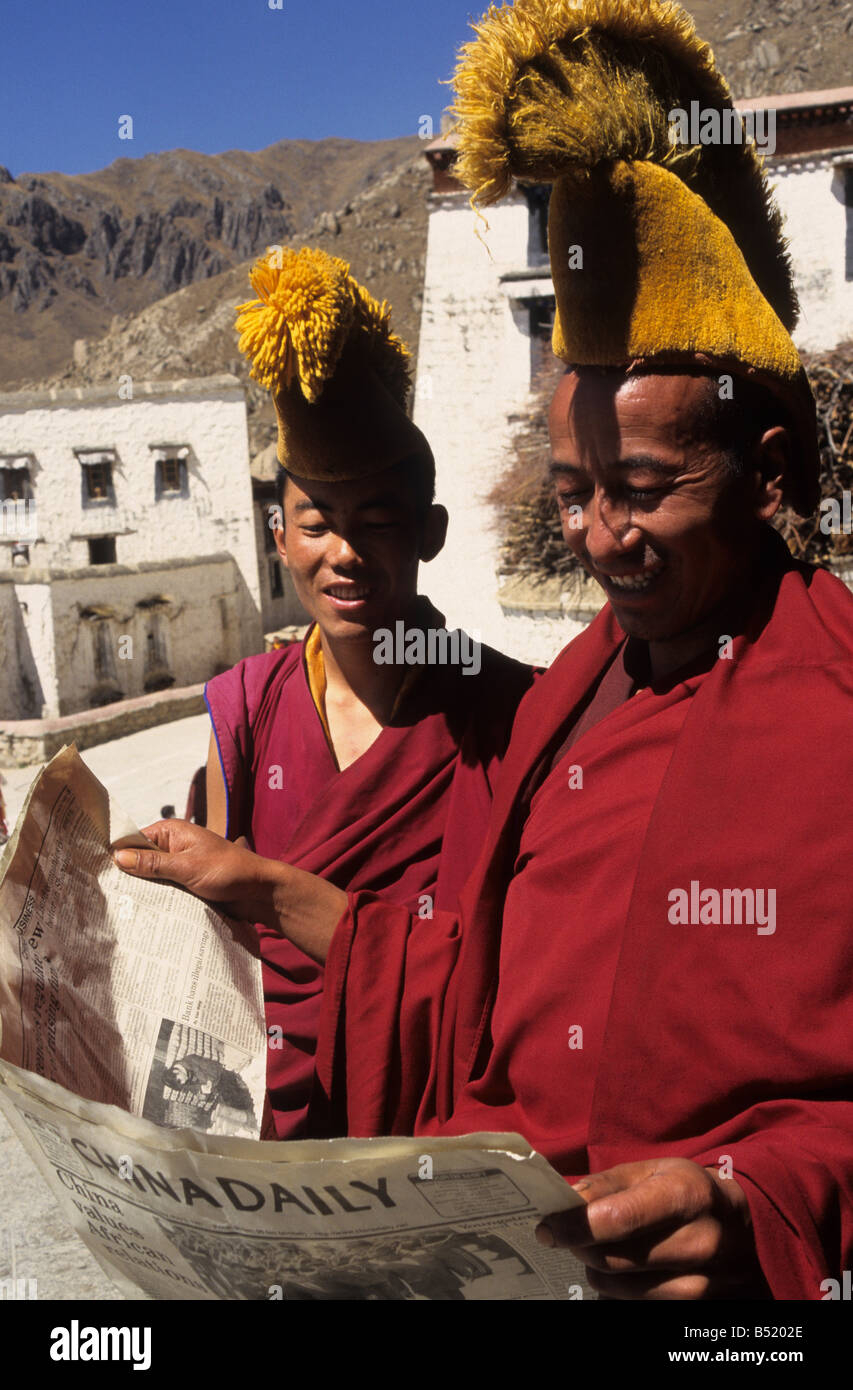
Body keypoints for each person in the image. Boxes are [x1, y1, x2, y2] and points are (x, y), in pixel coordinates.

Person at [116, 0, 853, 1299]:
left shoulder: (835, 697)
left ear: (771, 470)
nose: (598, 537)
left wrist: (760, 1198)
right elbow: (469, 988)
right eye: (571, 492)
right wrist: (257, 887)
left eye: (642, 487)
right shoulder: (571, 704)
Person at [162, 246, 533, 1140]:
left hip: (428, 1122)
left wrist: (280, 893)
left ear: (429, 533)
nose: (344, 554)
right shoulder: (246, 711)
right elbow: (205, 952)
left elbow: (516, 970)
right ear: (279, 537)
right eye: (317, 523)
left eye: (377, 522)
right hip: (267, 1132)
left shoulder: (507, 712)